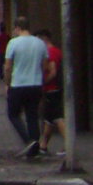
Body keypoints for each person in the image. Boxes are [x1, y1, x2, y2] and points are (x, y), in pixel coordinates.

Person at [4, 16, 49, 158]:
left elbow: (8, 66)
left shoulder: (13, 43)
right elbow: (45, 65)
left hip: (18, 84)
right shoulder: (40, 43)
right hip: (35, 84)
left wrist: (7, 82)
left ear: (17, 28)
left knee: (13, 114)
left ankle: (28, 141)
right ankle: (34, 149)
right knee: (32, 116)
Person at [36, 28, 64, 156]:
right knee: (49, 119)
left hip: (51, 89)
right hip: (54, 89)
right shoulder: (57, 51)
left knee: (57, 118)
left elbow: (52, 72)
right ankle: (43, 145)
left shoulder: (50, 52)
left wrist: (43, 83)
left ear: (43, 39)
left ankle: (69, 144)